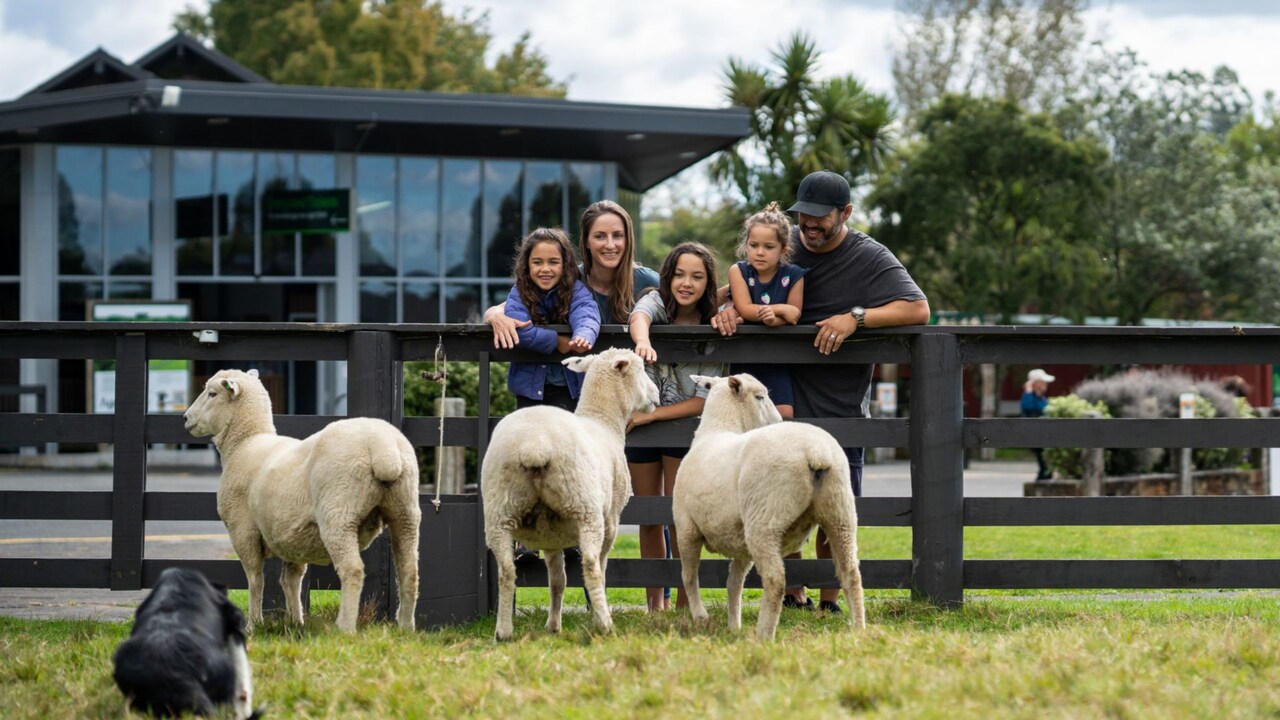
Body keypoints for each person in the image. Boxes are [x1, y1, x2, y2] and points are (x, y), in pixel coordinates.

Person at [712, 170, 930, 613]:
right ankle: (793, 593)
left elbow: (918, 308)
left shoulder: (868, 255)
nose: (808, 225)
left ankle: (831, 599)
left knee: (836, 502)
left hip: (840, 397)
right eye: (802, 215)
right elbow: (735, 286)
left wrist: (856, 318)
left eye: (819, 217)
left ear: (845, 213)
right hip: (783, 392)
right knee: (781, 496)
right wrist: (728, 308)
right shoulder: (782, 241)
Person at [628, 242, 727, 612]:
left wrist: (653, 416)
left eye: (697, 277)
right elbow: (639, 316)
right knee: (648, 516)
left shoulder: (714, 322)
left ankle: (686, 603)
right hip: (640, 429)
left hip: (682, 429)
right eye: (680, 275)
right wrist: (643, 341)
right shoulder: (655, 302)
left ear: (707, 282)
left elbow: (703, 400)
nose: (687, 283)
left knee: (680, 518)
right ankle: (656, 604)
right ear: (668, 277)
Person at [484, 199, 659, 346]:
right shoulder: (570, 278)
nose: (610, 244)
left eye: (618, 235)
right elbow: (508, 305)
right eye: (600, 236)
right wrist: (495, 316)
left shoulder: (647, 280)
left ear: (628, 240)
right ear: (587, 241)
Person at [502, 227, 600, 411]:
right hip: (530, 390)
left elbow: (586, 313)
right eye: (537, 262)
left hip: (569, 387)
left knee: (567, 430)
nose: (545, 269)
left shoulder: (576, 290)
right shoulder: (519, 293)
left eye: (553, 262)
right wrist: (556, 341)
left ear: (565, 264)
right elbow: (518, 329)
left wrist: (584, 335)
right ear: (527, 265)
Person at [727, 201, 807, 419]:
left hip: (777, 357)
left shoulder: (794, 275)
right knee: (742, 415)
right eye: (753, 245)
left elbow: (794, 314)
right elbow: (745, 308)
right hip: (743, 355)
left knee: (783, 414)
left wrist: (774, 320)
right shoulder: (739, 271)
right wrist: (778, 309)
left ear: (783, 249)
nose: (760, 252)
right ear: (746, 245)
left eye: (769, 247)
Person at [1021, 368, 1055, 481]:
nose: (1046, 384)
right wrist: (1028, 390)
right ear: (1036, 383)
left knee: (1046, 464)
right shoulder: (1029, 396)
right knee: (1043, 463)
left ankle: (1044, 478)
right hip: (1036, 434)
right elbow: (1027, 408)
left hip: (1045, 433)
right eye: (1043, 382)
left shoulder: (1042, 398)